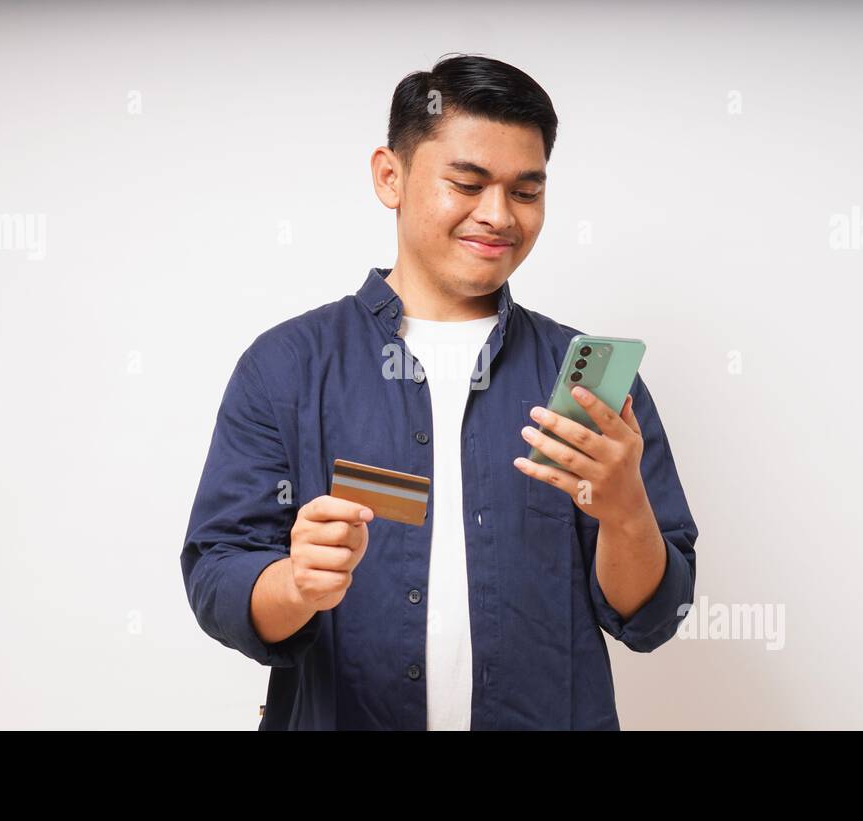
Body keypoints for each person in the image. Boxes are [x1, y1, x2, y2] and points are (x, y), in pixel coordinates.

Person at [181, 53, 698, 730]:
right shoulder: (287, 367)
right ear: (389, 177)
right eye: (467, 182)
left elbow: (651, 616)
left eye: (526, 190)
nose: (498, 215)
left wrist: (628, 510)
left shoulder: (590, 382)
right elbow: (218, 574)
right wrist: (296, 584)